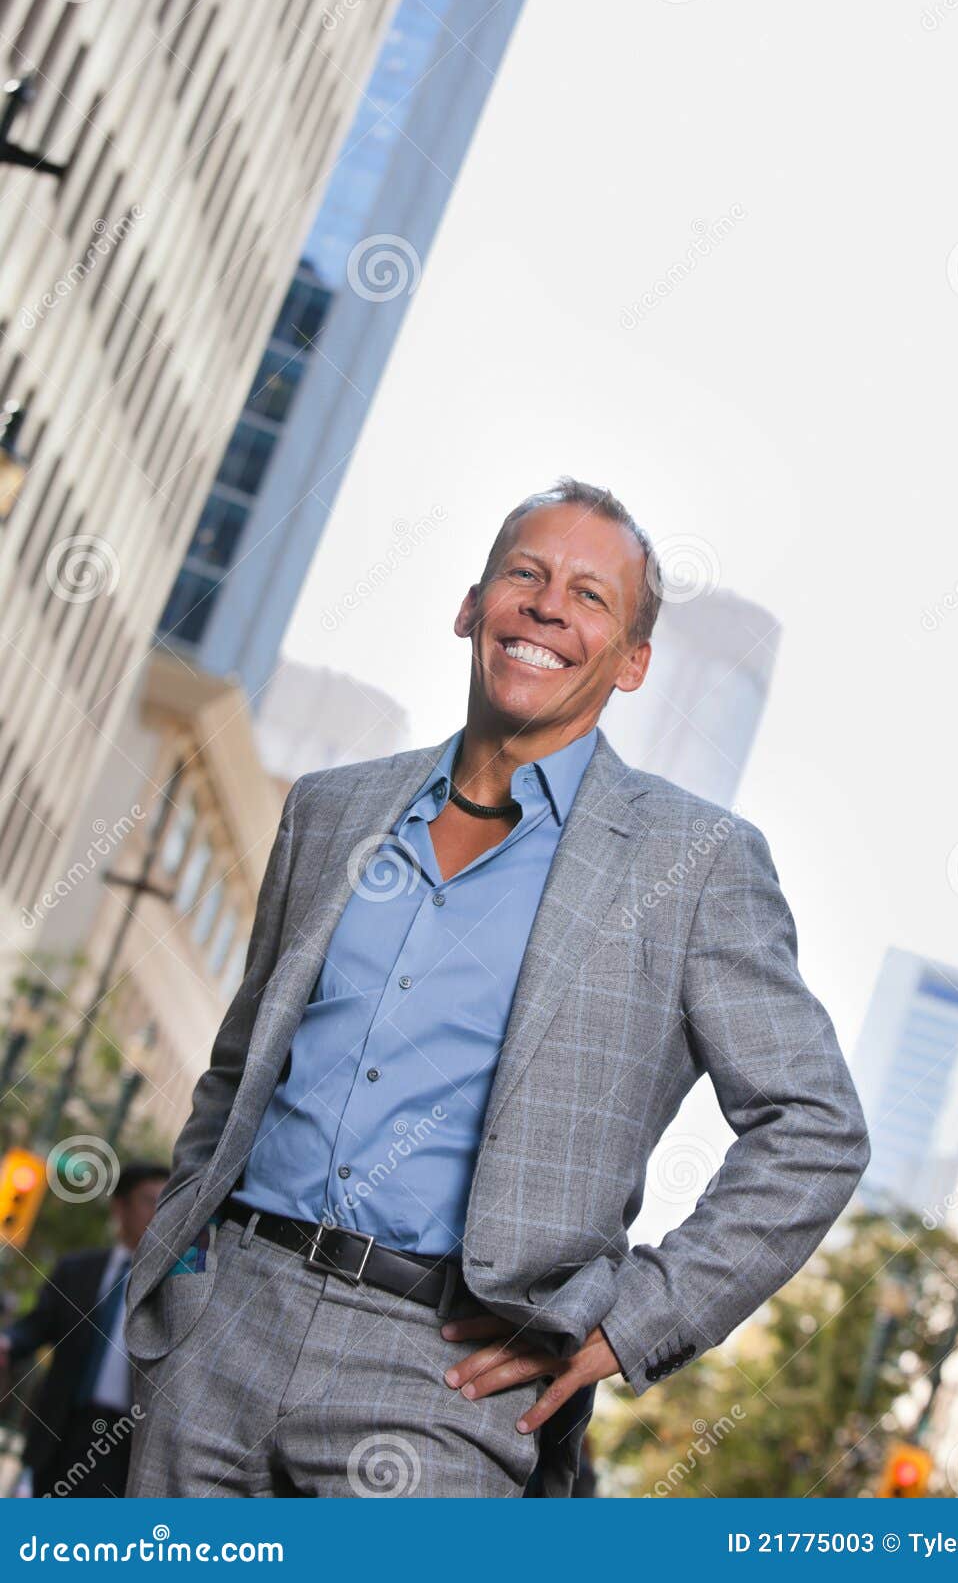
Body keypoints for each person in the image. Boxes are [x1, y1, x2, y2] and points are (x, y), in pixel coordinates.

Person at [124, 478, 870, 1498]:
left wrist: (629, 1322)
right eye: (524, 574)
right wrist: (182, 1268)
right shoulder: (333, 811)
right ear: (472, 606)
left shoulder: (692, 863)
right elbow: (238, 1067)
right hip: (220, 1335)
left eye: (589, 595)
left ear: (633, 660)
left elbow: (815, 1127)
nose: (547, 605)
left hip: (444, 1374)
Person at [1, 1160, 168, 1497]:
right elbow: (34, 1328)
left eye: (166, 1205)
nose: (158, 1214)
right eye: (150, 1201)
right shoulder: (77, 1270)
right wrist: (5, 1342)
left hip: (126, 1441)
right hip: (62, 1428)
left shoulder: (173, 1287)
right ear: (120, 1207)